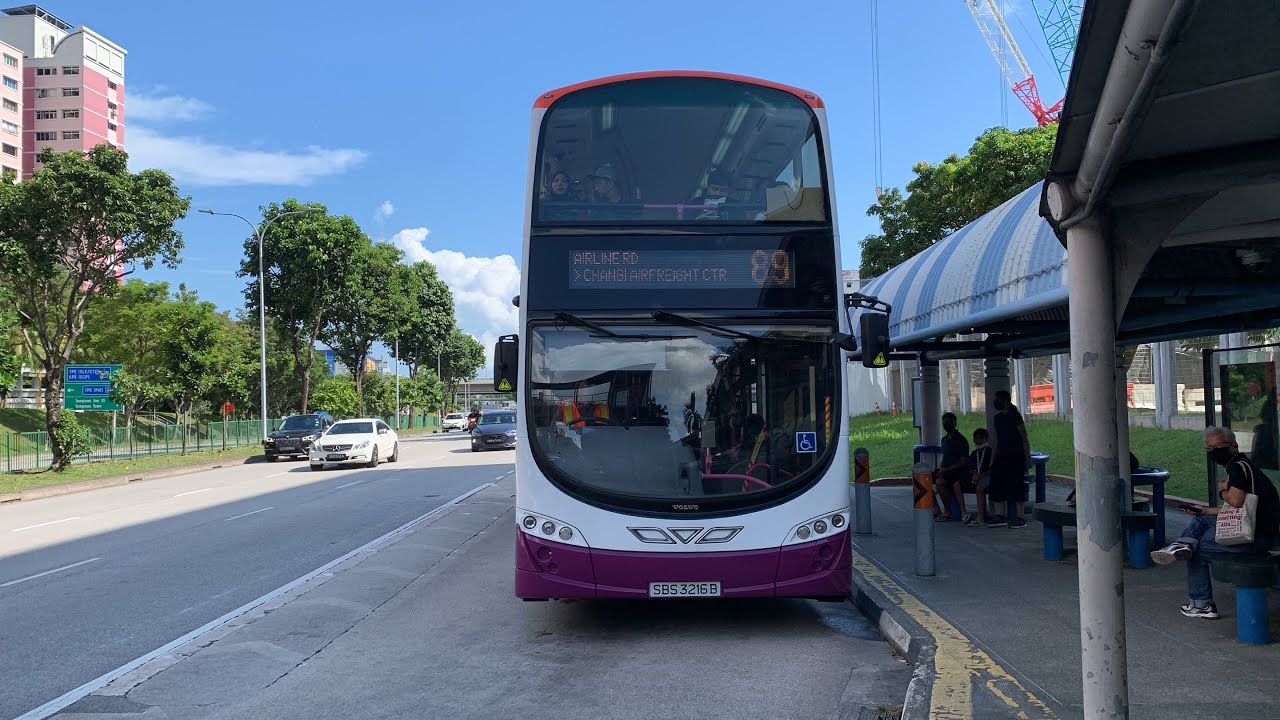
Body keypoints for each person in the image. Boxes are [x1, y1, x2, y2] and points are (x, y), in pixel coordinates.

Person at [1150, 426, 1279, 619]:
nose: (1214, 452)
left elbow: (1235, 501)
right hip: (1257, 529)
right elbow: (1242, 509)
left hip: (1254, 537)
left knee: (1197, 552)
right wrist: (1206, 510)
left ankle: (1201, 604)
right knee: (1202, 519)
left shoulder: (1238, 468)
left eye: (1219, 446)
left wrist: (1221, 490)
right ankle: (1181, 544)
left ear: (1234, 446)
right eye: (1209, 448)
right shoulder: (1245, 466)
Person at [988, 389, 1031, 528]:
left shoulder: (1015, 415)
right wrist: (992, 460)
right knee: (996, 484)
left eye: (998, 399)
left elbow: (1024, 437)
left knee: (1017, 485)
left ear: (1005, 400)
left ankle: (1020, 517)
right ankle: (999, 515)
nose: (995, 402)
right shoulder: (998, 418)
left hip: (1016, 456)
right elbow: (996, 440)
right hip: (1002, 456)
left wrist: (1027, 456)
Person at [933, 412, 970, 522]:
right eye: (945, 422)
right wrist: (940, 468)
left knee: (940, 482)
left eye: (949, 422)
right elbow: (945, 457)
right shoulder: (944, 440)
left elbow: (964, 461)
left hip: (958, 472)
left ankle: (947, 511)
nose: (947, 424)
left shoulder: (961, 440)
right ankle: (936, 510)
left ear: (955, 423)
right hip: (945, 470)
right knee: (923, 482)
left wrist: (947, 469)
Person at [964, 428, 995, 526]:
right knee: (957, 483)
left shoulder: (990, 452)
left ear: (986, 440)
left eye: (981, 438)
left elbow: (992, 469)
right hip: (976, 477)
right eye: (976, 438)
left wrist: (981, 475)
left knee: (980, 487)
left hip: (989, 477)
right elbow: (970, 468)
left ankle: (980, 517)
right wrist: (974, 474)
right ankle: (963, 513)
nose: (979, 440)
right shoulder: (974, 454)